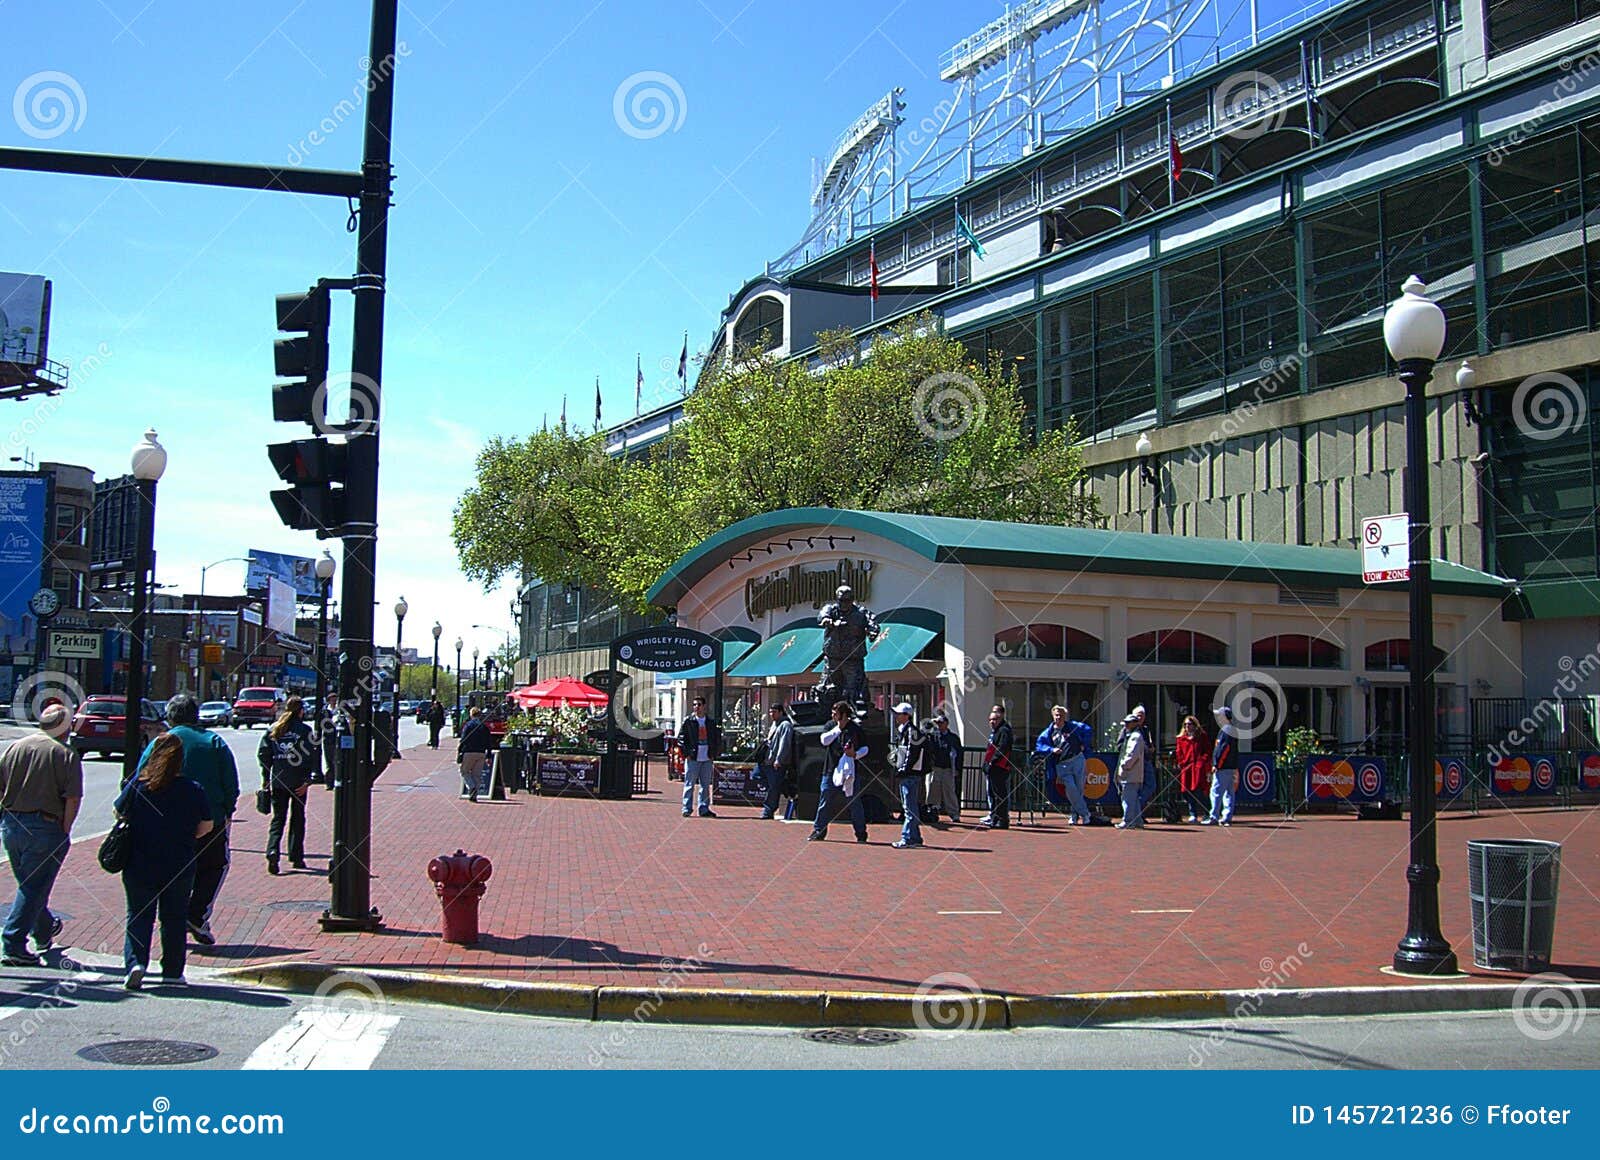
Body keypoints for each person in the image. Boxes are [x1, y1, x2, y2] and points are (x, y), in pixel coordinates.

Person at [133, 693, 238, 948]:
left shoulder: (160, 743)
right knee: (215, 865)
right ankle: (196, 914)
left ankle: (169, 925)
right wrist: (226, 812)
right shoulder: (214, 742)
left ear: (170, 716)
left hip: (163, 823)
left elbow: (140, 778)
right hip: (209, 820)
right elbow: (231, 786)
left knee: (170, 872)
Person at [116, 733, 212, 989]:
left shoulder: (138, 785)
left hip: (139, 861)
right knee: (174, 917)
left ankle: (136, 963)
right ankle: (172, 970)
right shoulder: (192, 789)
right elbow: (207, 825)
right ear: (181, 760)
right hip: (178, 862)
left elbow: (118, 810)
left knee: (138, 914)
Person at [0, 705, 82, 966]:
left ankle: (44, 930)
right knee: (33, 887)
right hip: (45, 826)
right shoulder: (65, 753)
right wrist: (65, 829)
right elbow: (73, 798)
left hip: (12, 825)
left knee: (31, 885)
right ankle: (13, 942)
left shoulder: (16, 747)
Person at [258, 696, 318, 875]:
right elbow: (311, 757)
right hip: (298, 781)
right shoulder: (305, 730)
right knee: (298, 818)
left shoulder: (274, 729)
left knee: (278, 819)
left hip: (279, 781)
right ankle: (296, 856)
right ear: (301, 711)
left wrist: (267, 777)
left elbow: (263, 755)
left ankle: (273, 850)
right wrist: (308, 780)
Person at [808, 700, 869, 843]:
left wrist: (855, 754)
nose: (833, 715)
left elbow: (866, 748)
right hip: (830, 770)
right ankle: (819, 830)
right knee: (825, 801)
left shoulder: (855, 729)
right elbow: (824, 740)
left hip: (850, 772)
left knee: (854, 802)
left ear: (844, 714)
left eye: (836, 713)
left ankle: (861, 832)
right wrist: (838, 728)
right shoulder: (830, 726)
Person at [816, 585, 880, 707]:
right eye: (841, 600)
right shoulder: (831, 610)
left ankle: (855, 712)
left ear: (852, 599)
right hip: (833, 658)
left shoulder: (861, 613)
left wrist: (872, 631)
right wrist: (828, 621)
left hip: (853, 660)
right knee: (828, 688)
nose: (843, 604)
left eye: (847, 600)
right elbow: (822, 616)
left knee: (853, 689)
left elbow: (872, 622)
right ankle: (827, 712)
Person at [1035, 705, 1091, 826]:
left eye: (1061, 715)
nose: (1058, 717)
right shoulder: (1048, 732)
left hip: (1077, 760)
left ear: (1065, 716)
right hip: (1062, 764)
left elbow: (1087, 730)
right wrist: (1051, 749)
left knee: (1079, 789)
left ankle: (1075, 815)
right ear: (1052, 716)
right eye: (1056, 715)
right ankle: (1085, 814)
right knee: (1070, 788)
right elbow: (1039, 745)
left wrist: (1084, 745)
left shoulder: (1073, 727)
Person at [890, 701, 929, 849]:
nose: (896, 717)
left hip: (910, 775)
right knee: (910, 806)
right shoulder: (907, 731)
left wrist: (903, 769)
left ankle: (907, 838)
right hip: (910, 773)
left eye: (899, 714)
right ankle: (915, 837)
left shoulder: (911, 732)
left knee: (909, 807)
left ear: (907, 715)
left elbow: (912, 754)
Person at [676, 696, 721, 818]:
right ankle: (686, 808)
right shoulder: (688, 721)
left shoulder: (710, 723)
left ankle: (704, 808)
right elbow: (681, 739)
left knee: (705, 785)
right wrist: (687, 754)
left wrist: (713, 754)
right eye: (695, 705)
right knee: (689, 784)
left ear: (704, 706)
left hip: (706, 758)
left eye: (699, 704)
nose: (697, 707)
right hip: (693, 758)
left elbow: (716, 739)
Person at [980, 705, 1015, 830]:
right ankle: (994, 817)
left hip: (1000, 767)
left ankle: (1002, 819)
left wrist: (992, 762)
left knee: (1000, 794)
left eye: (994, 720)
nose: (992, 722)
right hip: (993, 766)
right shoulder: (995, 732)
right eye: (990, 720)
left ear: (1000, 718)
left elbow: (1002, 748)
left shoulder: (1004, 731)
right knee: (993, 794)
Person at [758, 703, 795, 820]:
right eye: (770, 712)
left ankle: (768, 810)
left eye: (774, 712)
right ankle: (783, 786)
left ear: (780, 712)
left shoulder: (785, 725)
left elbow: (784, 744)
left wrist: (779, 759)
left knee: (773, 787)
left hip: (776, 763)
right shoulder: (774, 724)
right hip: (766, 761)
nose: (771, 715)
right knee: (756, 776)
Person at [1204, 706, 1240, 827]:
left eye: (1220, 715)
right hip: (1230, 766)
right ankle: (1226, 817)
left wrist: (1216, 764)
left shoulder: (1226, 730)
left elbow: (1223, 749)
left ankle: (1214, 816)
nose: (1218, 718)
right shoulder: (1232, 730)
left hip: (1223, 767)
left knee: (1216, 791)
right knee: (1229, 793)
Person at [925, 712, 962, 824]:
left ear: (946, 723)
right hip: (936, 768)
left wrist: (957, 769)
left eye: (941, 723)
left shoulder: (953, 738)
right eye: (938, 723)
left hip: (948, 768)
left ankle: (954, 814)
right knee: (933, 791)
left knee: (949, 792)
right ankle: (932, 811)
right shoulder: (933, 736)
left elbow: (959, 754)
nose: (939, 725)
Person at [1175, 715, 1213, 824]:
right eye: (1185, 724)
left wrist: (1201, 761)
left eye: (1190, 724)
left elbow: (1207, 751)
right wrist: (1181, 763)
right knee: (1186, 791)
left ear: (1195, 725)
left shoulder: (1202, 736)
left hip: (1198, 768)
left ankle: (1206, 813)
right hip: (1186, 768)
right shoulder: (1181, 738)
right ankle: (1193, 814)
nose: (1187, 726)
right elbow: (1179, 752)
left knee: (1199, 790)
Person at [1115, 707, 1147, 829]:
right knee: (1133, 798)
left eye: (1128, 723)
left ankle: (1128, 820)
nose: (1126, 725)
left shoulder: (1135, 737)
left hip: (1130, 773)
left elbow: (1131, 754)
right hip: (1132, 773)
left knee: (1128, 798)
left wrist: (1125, 766)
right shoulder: (1132, 736)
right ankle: (1138, 821)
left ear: (1134, 723)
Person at [457, 707, 494, 803]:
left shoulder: (468, 726)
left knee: (464, 772)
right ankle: (474, 794)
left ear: (471, 715)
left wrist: (460, 751)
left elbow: (463, 739)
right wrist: (489, 755)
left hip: (469, 751)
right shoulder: (484, 727)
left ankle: (471, 787)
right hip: (481, 752)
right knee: (477, 774)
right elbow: (489, 742)